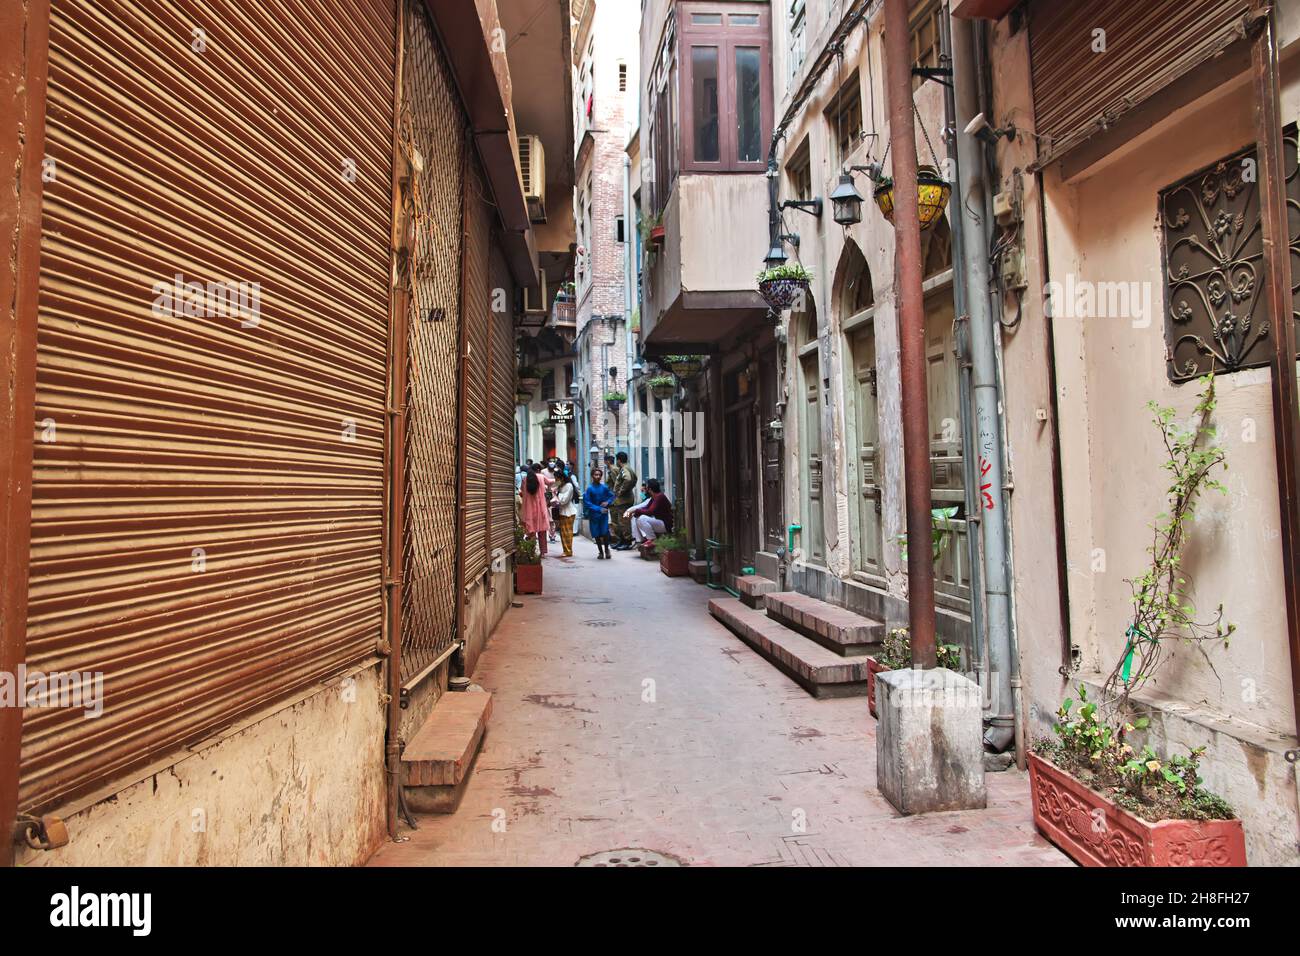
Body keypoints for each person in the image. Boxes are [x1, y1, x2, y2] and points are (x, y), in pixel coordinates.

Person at [628, 478, 674, 546]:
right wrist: (635, 513)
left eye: (646, 487)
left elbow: (650, 511)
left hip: (665, 524)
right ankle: (641, 540)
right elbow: (647, 508)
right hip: (660, 522)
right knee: (638, 518)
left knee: (642, 518)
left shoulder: (659, 496)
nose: (645, 489)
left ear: (650, 489)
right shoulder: (655, 497)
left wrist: (636, 511)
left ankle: (652, 539)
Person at [582, 467, 616, 559]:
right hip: (594, 514)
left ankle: (607, 550)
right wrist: (598, 509)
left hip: (603, 514)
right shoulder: (589, 489)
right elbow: (587, 503)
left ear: (601, 476)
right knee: (596, 534)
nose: (597, 476)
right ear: (592, 476)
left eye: (599, 475)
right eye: (595, 474)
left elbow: (613, 496)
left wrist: (607, 502)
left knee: (605, 533)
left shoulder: (604, 487)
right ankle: (600, 552)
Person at [610, 451, 638, 549]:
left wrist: (621, 491)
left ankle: (627, 542)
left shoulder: (624, 469)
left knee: (624, 522)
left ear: (618, 460)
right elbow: (634, 479)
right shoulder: (628, 468)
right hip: (625, 499)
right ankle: (621, 541)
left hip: (624, 500)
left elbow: (628, 479)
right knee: (621, 521)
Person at [520, 469, 549, 557]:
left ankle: (531, 551)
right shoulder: (541, 477)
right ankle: (543, 552)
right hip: (540, 509)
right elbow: (550, 482)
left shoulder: (525, 479)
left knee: (531, 532)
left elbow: (522, 490)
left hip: (529, 510)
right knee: (542, 532)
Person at [552, 468, 578, 557]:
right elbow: (550, 490)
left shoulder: (569, 486)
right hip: (561, 512)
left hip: (568, 512)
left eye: (557, 479)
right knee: (563, 532)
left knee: (567, 533)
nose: (556, 481)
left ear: (562, 478)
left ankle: (568, 551)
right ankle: (565, 550)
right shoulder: (559, 485)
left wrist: (556, 495)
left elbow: (564, 500)